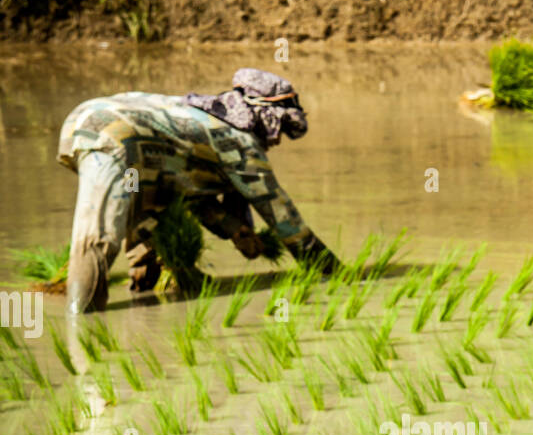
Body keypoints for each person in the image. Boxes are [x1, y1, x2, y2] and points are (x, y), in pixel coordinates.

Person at [57, 67, 338, 314]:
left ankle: (145, 292)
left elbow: (186, 196)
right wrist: (331, 271)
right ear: (262, 115)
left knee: (151, 207)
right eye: (280, 127)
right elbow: (281, 214)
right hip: (112, 134)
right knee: (98, 237)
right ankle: (80, 320)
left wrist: (233, 229)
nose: (278, 139)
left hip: (101, 133)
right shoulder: (238, 141)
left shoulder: (203, 120)